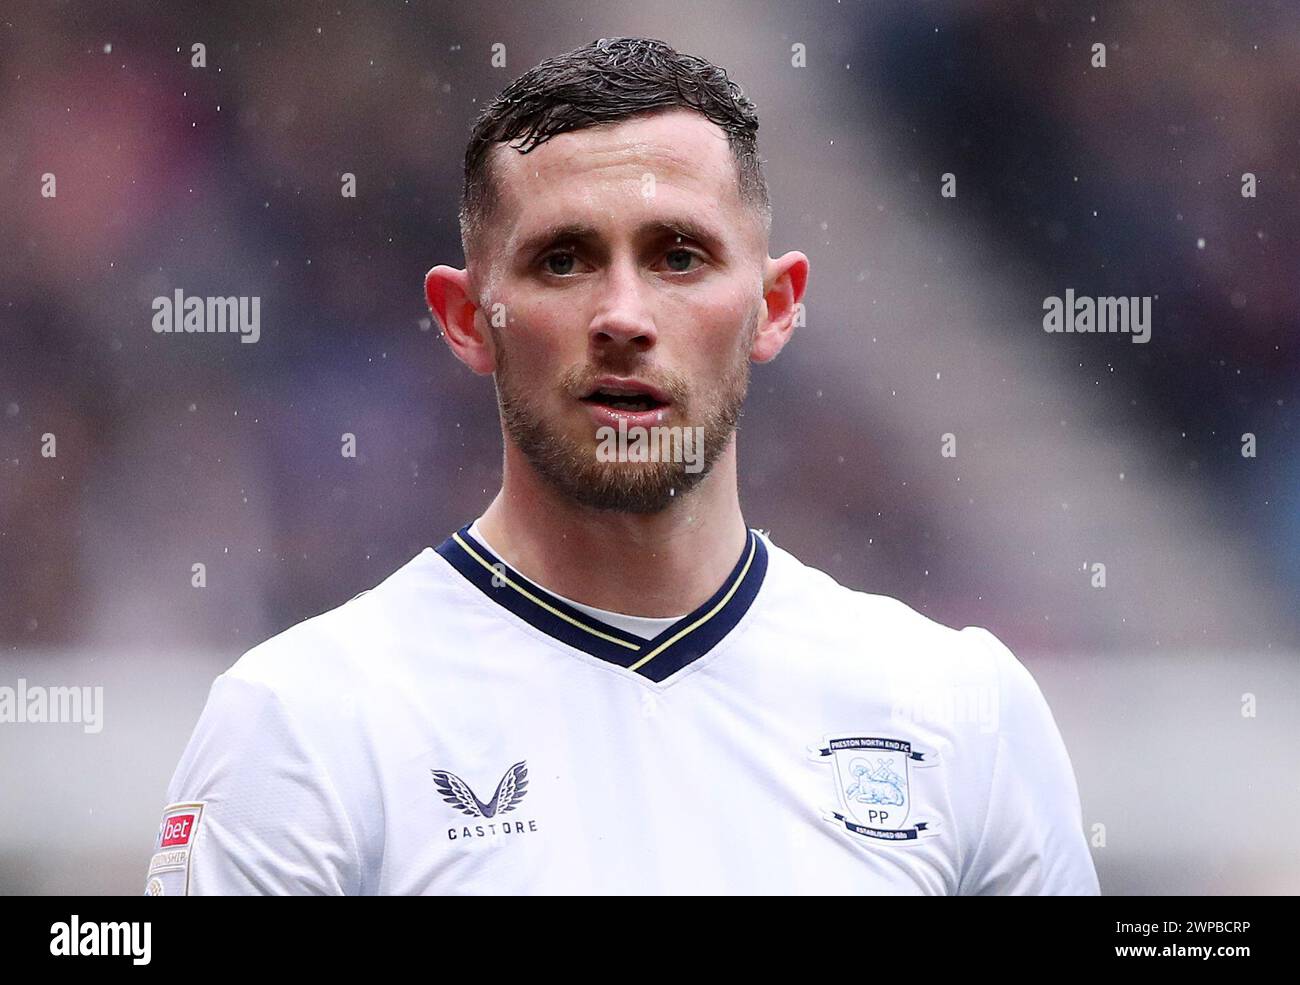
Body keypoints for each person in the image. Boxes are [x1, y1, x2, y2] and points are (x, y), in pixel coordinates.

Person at [144, 37, 1099, 895]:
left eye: (679, 256)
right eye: (563, 260)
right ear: (469, 318)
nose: (624, 315)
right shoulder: (305, 724)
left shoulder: (959, 712)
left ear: (774, 306)